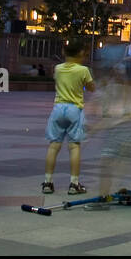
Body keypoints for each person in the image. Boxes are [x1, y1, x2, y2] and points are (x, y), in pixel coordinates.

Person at [42, 39, 95, 195]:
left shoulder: (57, 68)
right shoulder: (83, 70)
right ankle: (74, 183)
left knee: (54, 146)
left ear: (64, 53)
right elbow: (91, 88)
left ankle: (47, 182)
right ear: (80, 53)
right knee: (74, 146)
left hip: (58, 108)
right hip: (74, 109)